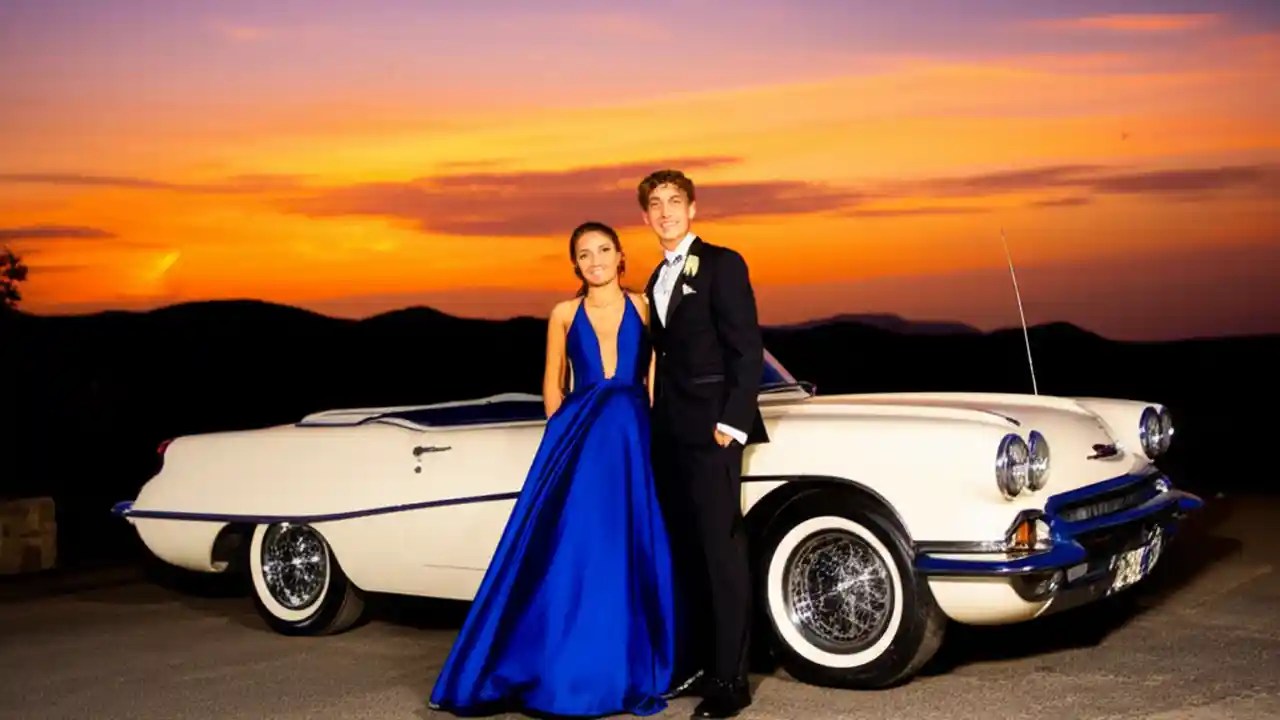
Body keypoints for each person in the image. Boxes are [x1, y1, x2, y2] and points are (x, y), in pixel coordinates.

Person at [429, 221, 677, 718]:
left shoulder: (646, 308)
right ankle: (559, 661)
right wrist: (558, 439)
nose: (596, 260)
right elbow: (552, 382)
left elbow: (653, 378)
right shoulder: (564, 313)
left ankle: (621, 663)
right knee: (575, 546)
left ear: (621, 256)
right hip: (579, 438)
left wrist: (654, 436)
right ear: (575, 265)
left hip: (631, 438)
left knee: (624, 545)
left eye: (604, 250)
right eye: (585, 254)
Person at [641, 169, 767, 719]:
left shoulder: (721, 263)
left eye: (674, 200)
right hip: (669, 432)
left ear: (692, 208)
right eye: (655, 203)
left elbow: (746, 347)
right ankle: (699, 664)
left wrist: (732, 422)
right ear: (646, 217)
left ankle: (731, 681)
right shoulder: (653, 279)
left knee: (722, 553)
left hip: (714, 430)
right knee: (687, 553)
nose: (665, 210)